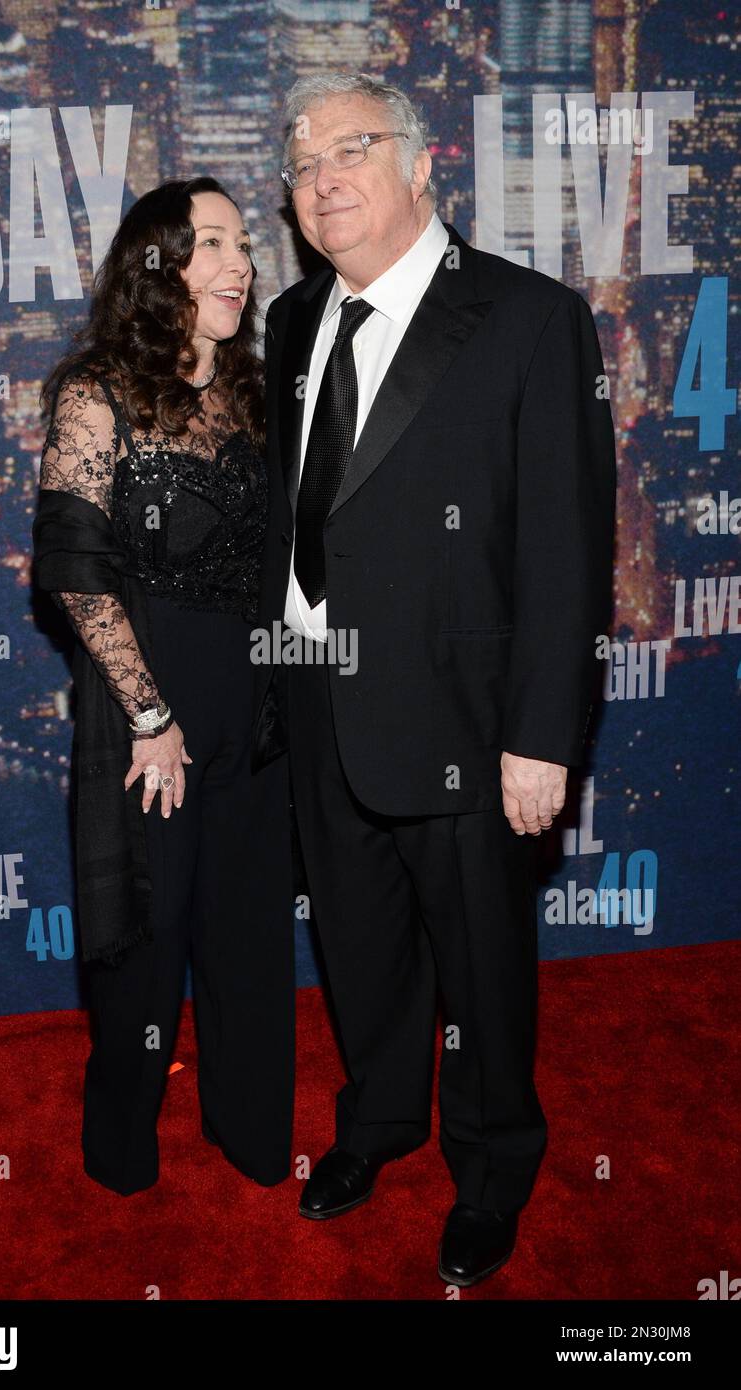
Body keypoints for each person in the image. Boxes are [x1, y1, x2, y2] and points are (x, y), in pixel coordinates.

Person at [253, 73, 616, 1286]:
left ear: (420, 166)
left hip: (466, 720)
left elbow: (565, 546)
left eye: (349, 149)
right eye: (300, 163)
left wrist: (540, 735)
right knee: (359, 952)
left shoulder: (524, 318)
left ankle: (492, 1162)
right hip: (318, 696)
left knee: (480, 967)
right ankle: (379, 1125)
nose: (320, 179)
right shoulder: (295, 321)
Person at [32, 177, 294, 1197]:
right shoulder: (95, 392)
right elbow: (70, 568)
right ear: (157, 267)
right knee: (148, 943)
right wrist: (149, 714)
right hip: (151, 711)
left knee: (245, 932)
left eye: (242, 245)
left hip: (257, 702)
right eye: (213, 245)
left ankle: (249, 1131)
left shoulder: (251, 388)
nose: (239, 264)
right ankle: (122, 1153)